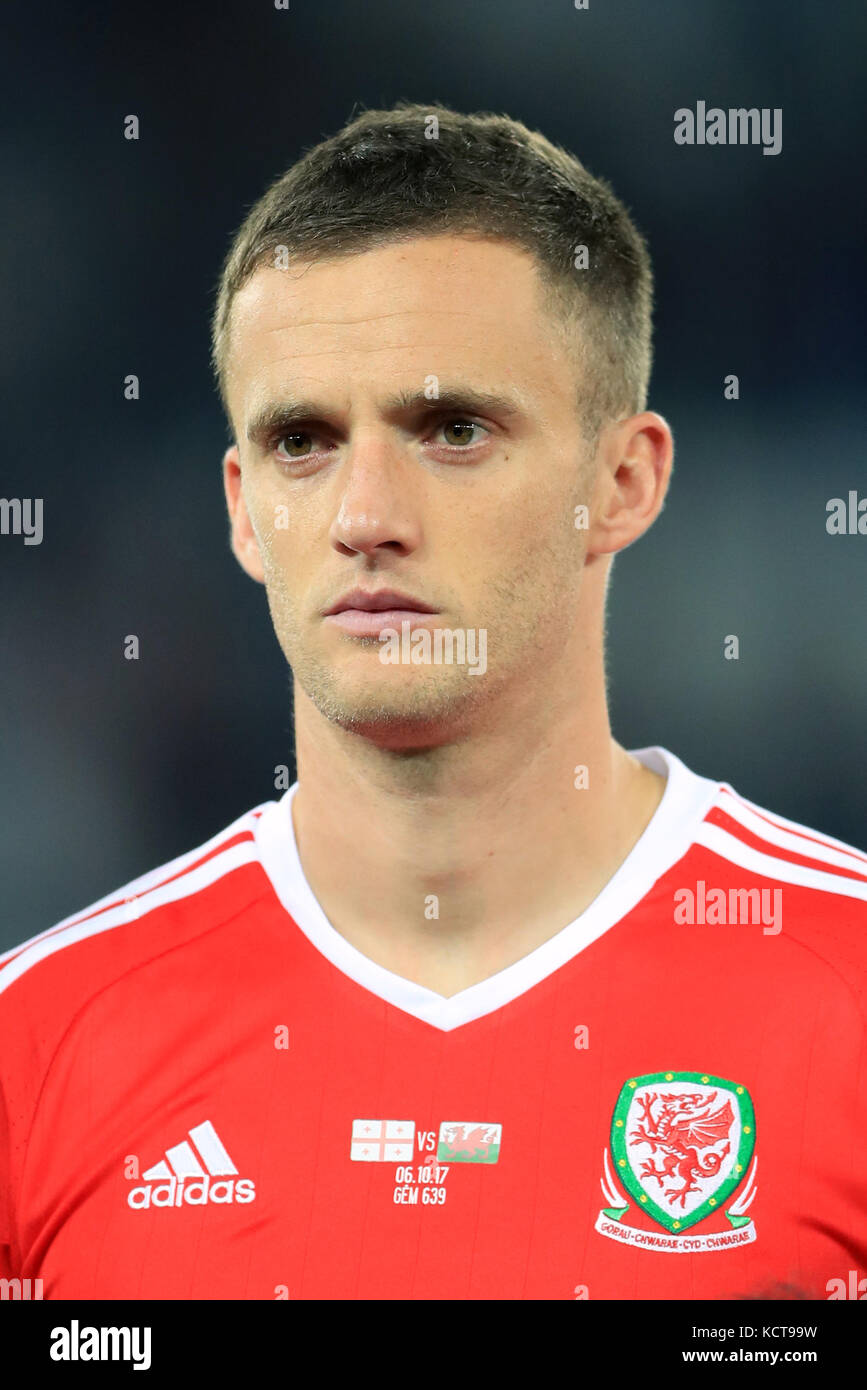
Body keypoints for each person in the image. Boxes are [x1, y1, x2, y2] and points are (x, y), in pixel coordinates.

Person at [1, 102, 865, 1301]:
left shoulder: (846, 993)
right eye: (303, 440)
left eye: (452, 428)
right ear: (245, 509)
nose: (364, 516)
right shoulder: (39, 1049)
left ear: (622, 482)